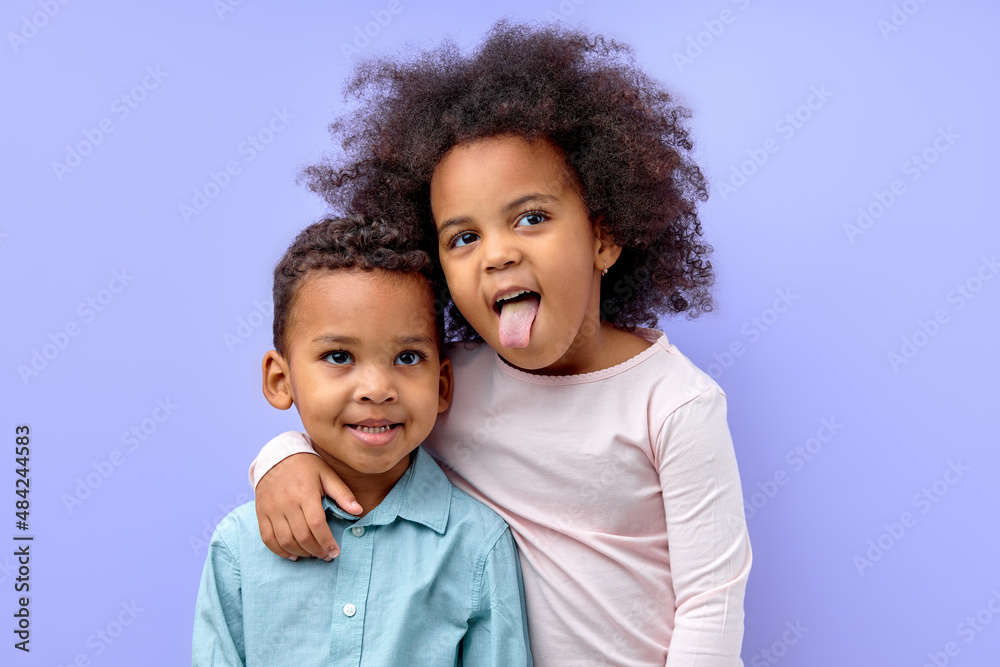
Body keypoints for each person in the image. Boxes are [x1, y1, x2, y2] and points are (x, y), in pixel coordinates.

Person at [249, 21, 751, 666]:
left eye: (532, 218)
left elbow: (712, 603)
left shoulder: (674, 404)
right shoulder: (444, 383)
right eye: (463, 237)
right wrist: (281, 455)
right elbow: (360, 414)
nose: (498, 254)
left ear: (604, 237)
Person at [192, 215, 532, 666]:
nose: (376, 388)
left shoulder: (477, 545)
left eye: (407, 357)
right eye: (339, 357)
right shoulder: (239, 543)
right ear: (280, 380)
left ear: (442, 384)